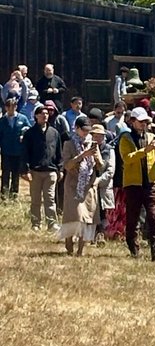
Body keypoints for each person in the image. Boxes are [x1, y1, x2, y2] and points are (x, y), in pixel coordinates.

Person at [116, 106, 155, 261]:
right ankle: (133, 248)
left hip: (151, 182)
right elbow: (127, 158)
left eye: (146, 121)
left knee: (154, 216)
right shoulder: (125, 138)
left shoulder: (152, 137)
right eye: (141, 121)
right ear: (133, 122)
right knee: (133, 217)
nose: (144, 124)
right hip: (133, 184)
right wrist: (145, 150)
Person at [58, 115, 103, 256]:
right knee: (74, 214)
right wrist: (82, 155)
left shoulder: (92, 144)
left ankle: (81, 249)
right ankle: (69, 239)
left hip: (88, 185)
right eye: (83, 130)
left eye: (88, 130)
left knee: (87, 217)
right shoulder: (69, 144)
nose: (86, 133)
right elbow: (67, 165)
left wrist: (96, 156)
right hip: (73, 184)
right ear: (76, 129)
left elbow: (101, 166)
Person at [23, 104, 63, 232]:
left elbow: (59, 152)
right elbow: (25, 153)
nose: (44, 115)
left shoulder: (54, 133)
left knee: (50, 199)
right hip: (35, 171)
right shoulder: (30, 133)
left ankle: (52, 223)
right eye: (41, 113)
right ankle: (36, 223)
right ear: (36, 116)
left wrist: (60, 169)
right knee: (35, 200)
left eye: (46, 113)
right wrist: (26, 170)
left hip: (51, 171)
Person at [0, 94, 30, 199]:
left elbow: (28, 130)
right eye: (9, 106)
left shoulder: (22, 118)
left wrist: (24, 135)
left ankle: (14, 195)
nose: (11, 108)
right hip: (6, 151)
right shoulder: (2, 121)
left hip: (18, 151)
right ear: (6, 107)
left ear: (16, 107)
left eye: (13, 106)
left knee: (16, 174)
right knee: (5, 173)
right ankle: (4, 194)